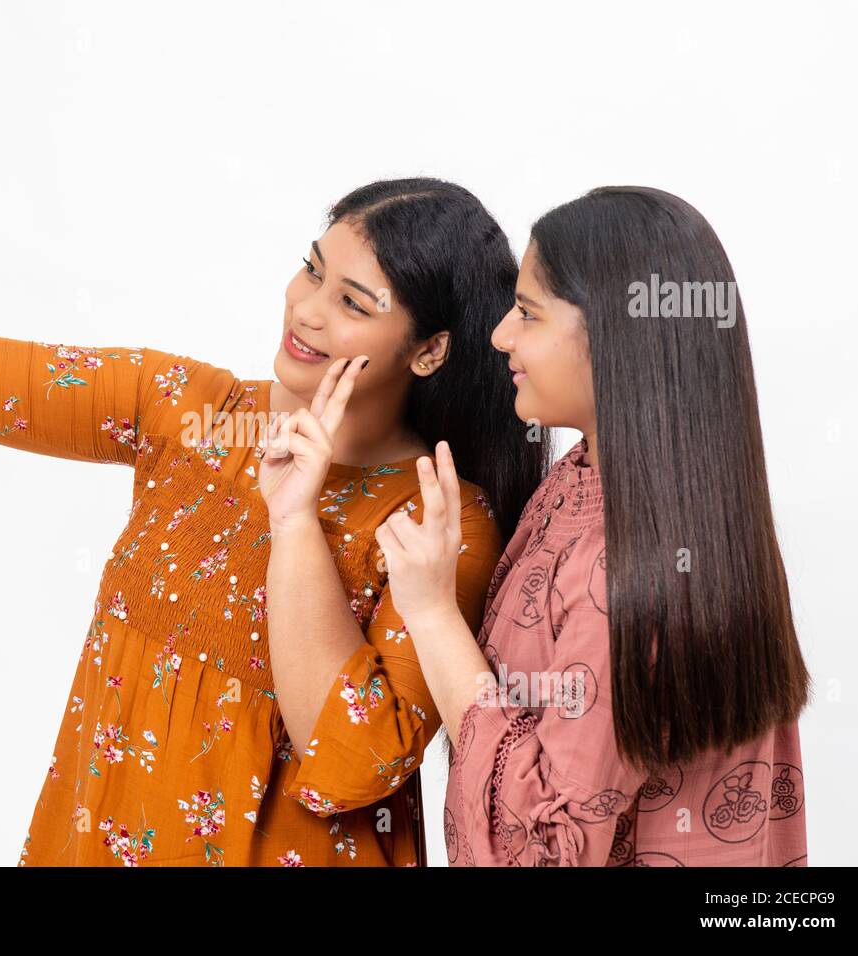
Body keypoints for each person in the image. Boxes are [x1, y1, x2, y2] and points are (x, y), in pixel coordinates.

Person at [0, 69, 548, 865]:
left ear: (430, 351)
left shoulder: (442, 523)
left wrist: (294, 523)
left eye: (354, 304)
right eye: (312, 270)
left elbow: (352, 760)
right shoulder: (186, 407)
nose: (307, 311)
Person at [291, 186, 808, 866]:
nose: (501, 335)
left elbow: (543, 855)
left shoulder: (626, 570)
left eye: (529, 314)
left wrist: (432, 612)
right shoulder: (609, 486)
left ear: (617, 335)